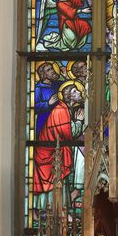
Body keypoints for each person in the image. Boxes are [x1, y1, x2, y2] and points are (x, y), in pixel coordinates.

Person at [33, 80, 85, 211]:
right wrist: (78, 122)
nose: (79, 92)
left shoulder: (64, 108)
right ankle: (50, 212)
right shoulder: (61, 109)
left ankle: (58, 211)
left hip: (54, 151)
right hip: (49, 153)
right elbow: (68, 134)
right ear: (68, 96)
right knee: (53, 182)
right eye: (75, 91)